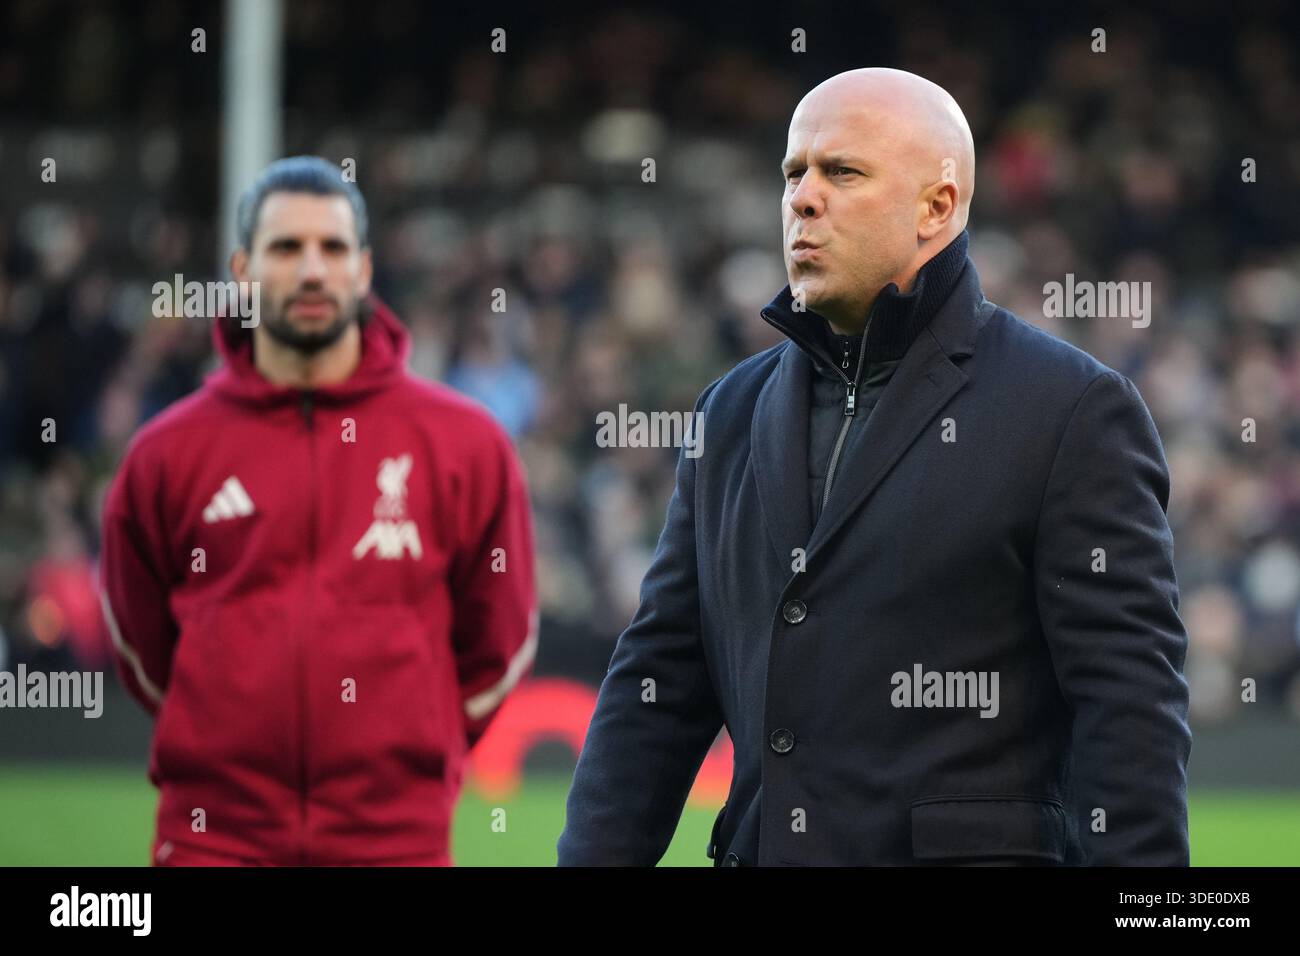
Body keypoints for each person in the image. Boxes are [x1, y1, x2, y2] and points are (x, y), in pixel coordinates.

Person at [557, 68, 1191, 866]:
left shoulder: (1070, 410)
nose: (802, 199)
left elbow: (1130, 706)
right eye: (794, 174)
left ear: (938, 206)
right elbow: (658, 683)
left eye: (841, 172)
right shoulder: (728, 414)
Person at [100, 156, 538, 866]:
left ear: (364, 271)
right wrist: (223, 728)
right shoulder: (166, 453)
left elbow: (501, 638)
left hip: (396, 840)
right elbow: (140, 645)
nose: (311, 271)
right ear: (243, 269)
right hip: (215, 839)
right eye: (286, 248)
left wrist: (410, 745)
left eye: (332, 249)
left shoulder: (465, 444)